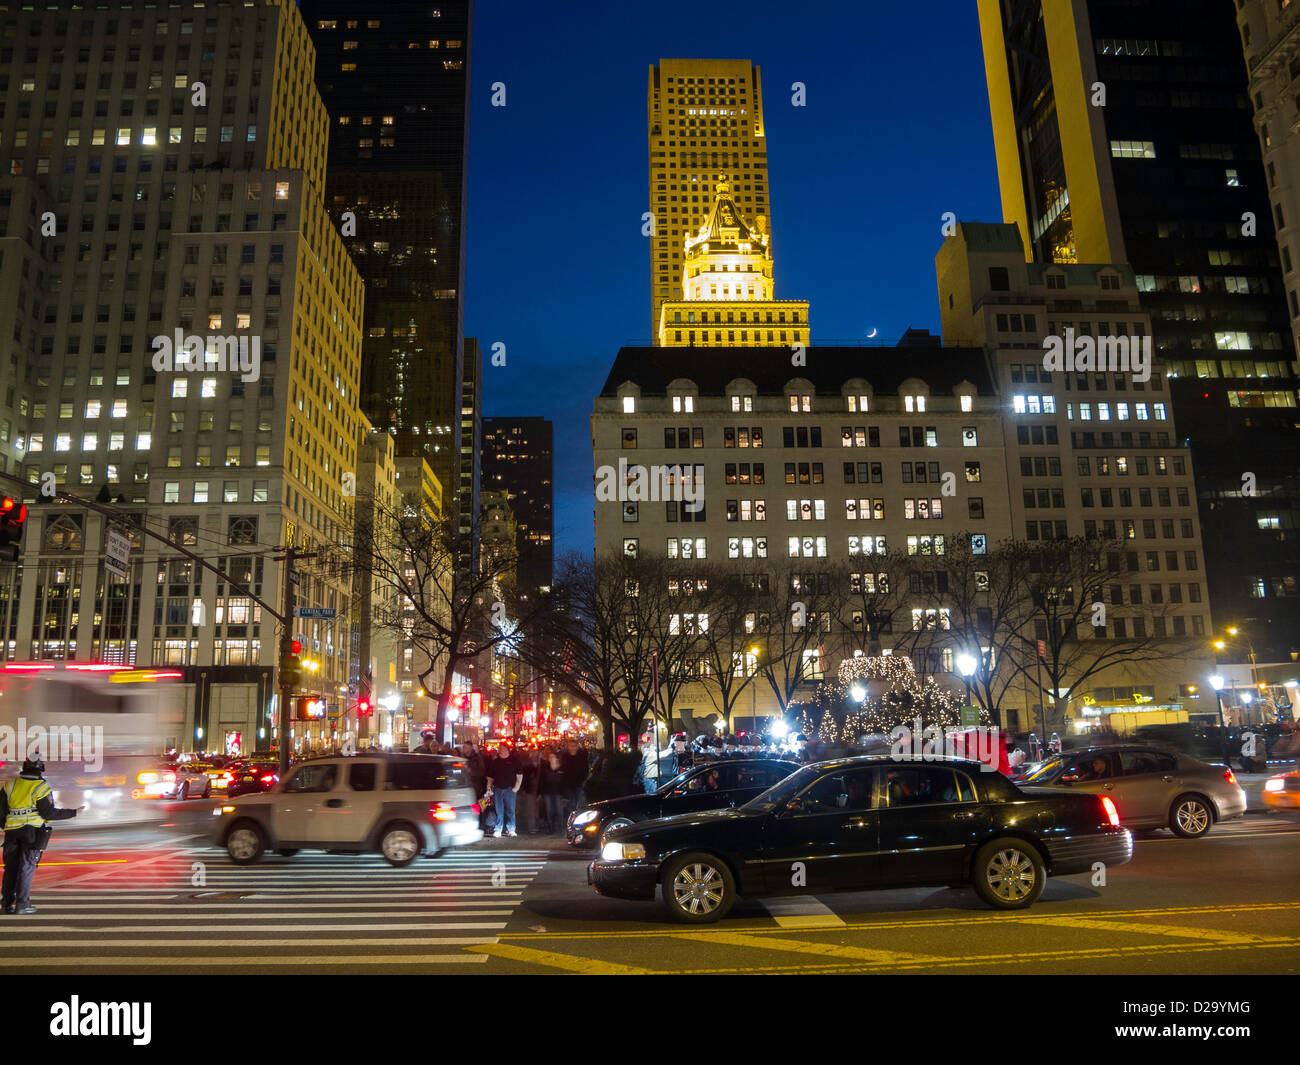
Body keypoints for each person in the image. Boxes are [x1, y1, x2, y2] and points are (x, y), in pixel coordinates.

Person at [1, 757, 80, 915]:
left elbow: (0, 811)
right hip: (32, 833)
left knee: (11, 869)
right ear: (40, 769)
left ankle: (6, 904)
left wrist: (6, 825)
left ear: (25, 768)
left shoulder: (10, 785)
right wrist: (74, 812)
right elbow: (48, 813)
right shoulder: (40, 787)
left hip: (11, 832)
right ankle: (22, 905)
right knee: (27, 868)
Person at [488, 745, 522, 838]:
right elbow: (491, 777)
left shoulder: (514, 761)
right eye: (500, 749)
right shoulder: (495, 762)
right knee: (499, 811)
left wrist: (516, 788)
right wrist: (489, 788)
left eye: (502, 749)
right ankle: (498, 829)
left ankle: (511, 829)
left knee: (510, 810)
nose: (500, 751)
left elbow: (519, 775)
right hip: (498, 789)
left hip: (509, 790)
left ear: (507, 750)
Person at [561, 739, 588, 824]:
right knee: (570, 804)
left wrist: (583, 779)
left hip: (578, 783)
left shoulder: (581, 757)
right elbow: (563, 771)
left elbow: (585, 769)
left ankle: (578, 821)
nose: (572, 748)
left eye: (574, 746)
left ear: (577, 747)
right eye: (570, 746)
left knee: (579, 804)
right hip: (568, 784)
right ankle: (570, 821)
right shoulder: (565, 757)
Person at [539, 751, 566, 835]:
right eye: (549, 757)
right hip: (548, 793)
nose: (551, 759)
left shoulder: (561, 769)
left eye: (552, 757)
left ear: (556, 758)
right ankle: (551, 828)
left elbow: (564, 782)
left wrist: (565, 794)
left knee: (559, 811)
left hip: (558, 793)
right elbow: (541, 781)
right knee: (549, 811)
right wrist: (540, 793)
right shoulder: (545, 768)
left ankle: (561, 828)